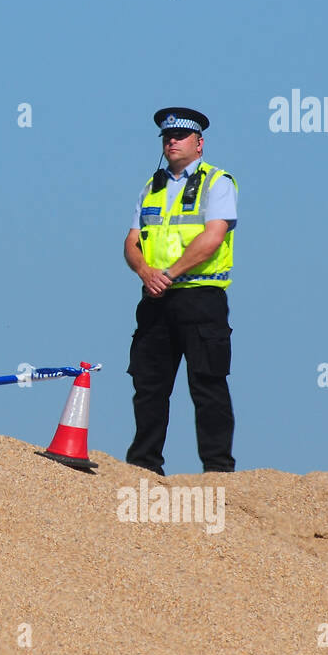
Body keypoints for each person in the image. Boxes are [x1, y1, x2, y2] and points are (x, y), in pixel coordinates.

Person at [123, 108, 237, 474]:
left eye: (180, 136)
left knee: (207, 385)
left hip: (200, 297)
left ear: (199, 143)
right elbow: (131, 241)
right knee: (148, 385)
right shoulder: (150, 186)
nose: (171, 141)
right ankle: (144, 465)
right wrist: (145, 271)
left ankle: (218, 469)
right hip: (155, 298)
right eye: (166, 136)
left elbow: (213, 237)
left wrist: (168, 273)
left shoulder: (217, 182)